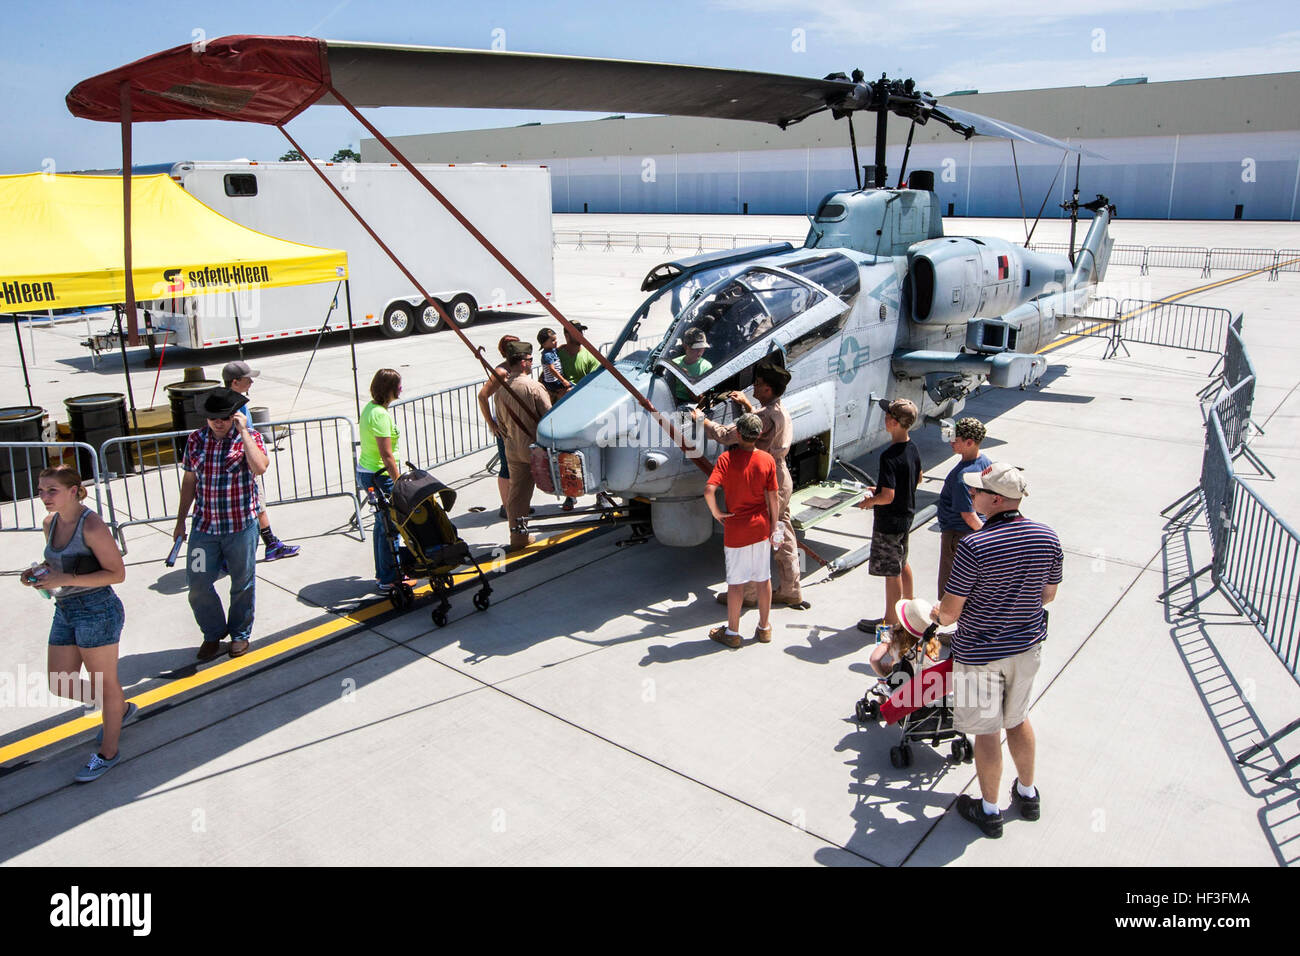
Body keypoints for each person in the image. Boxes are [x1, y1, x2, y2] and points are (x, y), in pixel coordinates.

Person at [930, 462, 1062, 839]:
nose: (972, 495)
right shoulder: (1046, 537)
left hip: (979, 654)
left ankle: (988, 811)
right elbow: (1048, 595)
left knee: (986, 732)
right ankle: (1028, 792)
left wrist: (938, 612)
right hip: (1027, 648)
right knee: (1018, 720)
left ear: (997, 499)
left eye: (978, 491)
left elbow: (951, 612)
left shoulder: (974, 546)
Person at [21, 466, 131, 783]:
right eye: (41, 490)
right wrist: (37, 574)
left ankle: (109, 753)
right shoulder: (50, 523)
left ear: (73, 490)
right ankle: (118, 707)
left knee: (104, 684)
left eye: (51, 490)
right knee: (60, 681)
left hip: (97, 609)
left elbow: (117, 573)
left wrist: (64, 578)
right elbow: (55, 564)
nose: (44, 497)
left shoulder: (92, 526)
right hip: (66, 608)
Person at [693, 361, 807, 609]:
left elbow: (727, 435)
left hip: (765, 479)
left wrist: (703, 421)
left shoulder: (765, 416)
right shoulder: (778, 409)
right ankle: (791, 589)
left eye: (757, 385)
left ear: (768, 390)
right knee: (782, 532)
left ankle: (749, 594)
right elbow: (763, 419)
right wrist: (746, 405)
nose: (753, 387)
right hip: (781, 476)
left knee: (754, 536)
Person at [173, 387, 270, 662]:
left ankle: (240, 633)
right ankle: (212, 633)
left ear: (234, 416)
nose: (219, 422)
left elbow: (260, 467)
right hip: (204, 528)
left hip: (240, 527)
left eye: (225, 417)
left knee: (242, 582)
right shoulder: (195, 441)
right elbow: (189, 482)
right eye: (214, 417)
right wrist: (180, 521)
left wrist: (244, 433)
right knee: (198, 583)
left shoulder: (249, 439)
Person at [703, 413, 780, 648]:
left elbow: (709, 490)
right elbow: (774, 497)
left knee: (736, 584)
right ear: (759, 435)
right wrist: (774, 526)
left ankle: (733, 632)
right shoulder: (767, 460)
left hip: (736, 529)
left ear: (737, 434)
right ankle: (764, 628)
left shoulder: (727, 459)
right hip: (761, 527)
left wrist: (717, 512)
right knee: (763, 578)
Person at [222, 360, 300, 561]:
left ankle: (269, 544)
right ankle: (267, 547)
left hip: (248, 462)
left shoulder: (233, 402)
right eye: (248, 379)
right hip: (245, 465)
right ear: (235, 382)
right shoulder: (233, 406)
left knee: (257, 507)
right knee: (258, 507)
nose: (251, 382)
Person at [855, 398, 923, 632]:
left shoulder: (889, 456)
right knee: (902, 562)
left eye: (886, 416)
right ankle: (910, 609)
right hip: (907, 516)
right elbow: (918, 477)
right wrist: (881, 489)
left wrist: (870, 501)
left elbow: (888, 497)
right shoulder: (912, 447)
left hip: (889, 521)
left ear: (892, 422)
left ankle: (891, 620)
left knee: (891, 571)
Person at [497, 341, 553, 550]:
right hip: (534, 447)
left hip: (512, 447)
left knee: (517, 495)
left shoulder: (500, 391)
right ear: (522, 363)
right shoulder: (533, 387)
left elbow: (501, 423)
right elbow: (550, 418)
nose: (532, 363)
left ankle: (518, 538)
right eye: (530, 360)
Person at [357, 369, 406, 593]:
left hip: (369, 473)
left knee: (380, 525)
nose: (401, 389)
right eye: (398, 385)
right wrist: (398, 483)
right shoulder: (380, 415)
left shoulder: (371, 408)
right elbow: (386, 455)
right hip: (380, 476)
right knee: (391, 526)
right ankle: (390, 577)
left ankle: (383, 573)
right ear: (390, 389)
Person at [936, 417, 990, 597]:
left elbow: (968, 515)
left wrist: (988, 539)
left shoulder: (963, 477)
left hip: (957, 536)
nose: (951, 442)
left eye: (955, 439)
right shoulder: (985, 462)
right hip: (974, 531)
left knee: (952, 589)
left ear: (969, 442)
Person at [477, 335, 524, 520]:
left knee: (517, 467)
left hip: (515, 424)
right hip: (504, 427)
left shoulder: (514, 368)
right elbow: (482, 396)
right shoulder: (502, 372)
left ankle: (518, 503)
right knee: (506, 467)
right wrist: (492, 423)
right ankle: (507, 506)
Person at [869, 598, 943, 680]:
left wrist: (885, 674)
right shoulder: (931, 643)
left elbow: (874, 659)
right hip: (922, 682)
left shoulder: (892, 635)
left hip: (901, 680)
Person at [670, 327, 713, 402]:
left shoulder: (706, 367)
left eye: (702, 348)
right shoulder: (674, 363)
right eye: (696, 349)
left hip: (691, 404)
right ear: (685, 346)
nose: (699, 352)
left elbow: (700, 399)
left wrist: (687, 379)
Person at [557, 321, 600, 385]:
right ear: (567, 335)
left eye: (581, 331)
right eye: (577, 332)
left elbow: (596, 382)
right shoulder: (557, 355)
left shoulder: (590, 357)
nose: (581, 335)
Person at [537, 327, 571, 400]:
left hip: (556, 380)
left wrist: (563, 346)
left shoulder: (552, 350)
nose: (556, 341)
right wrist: (563, 380)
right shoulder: (547, 355)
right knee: (570, 388)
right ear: (544, 343)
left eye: (555, 339)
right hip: (553, 382)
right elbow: (552, 369)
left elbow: (556, 350)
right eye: (552, 340)